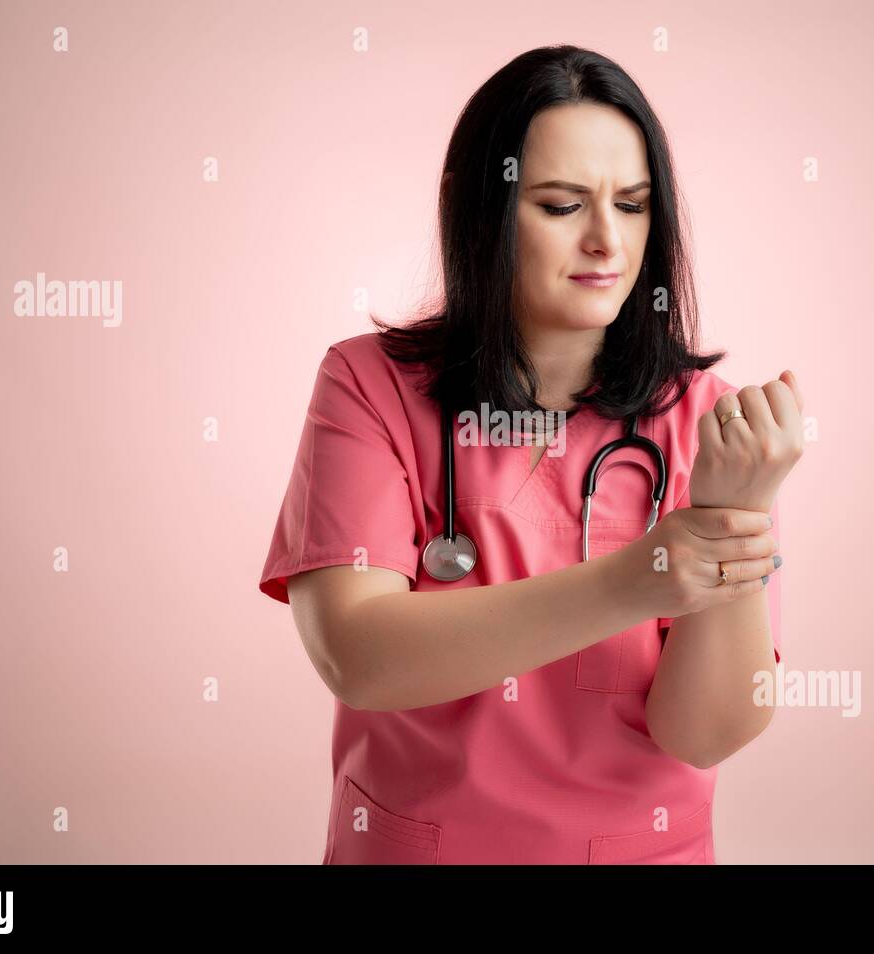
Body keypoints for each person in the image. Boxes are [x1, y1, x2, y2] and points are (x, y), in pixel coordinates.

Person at [258, 45, 804, 864]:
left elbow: (704, 733)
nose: (605, 241)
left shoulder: (705, 421)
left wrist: (736, 515)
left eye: (632, 204)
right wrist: (644, 576)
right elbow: (358, 656)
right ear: (478, 210)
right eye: (559, 205)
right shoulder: (370, 387)